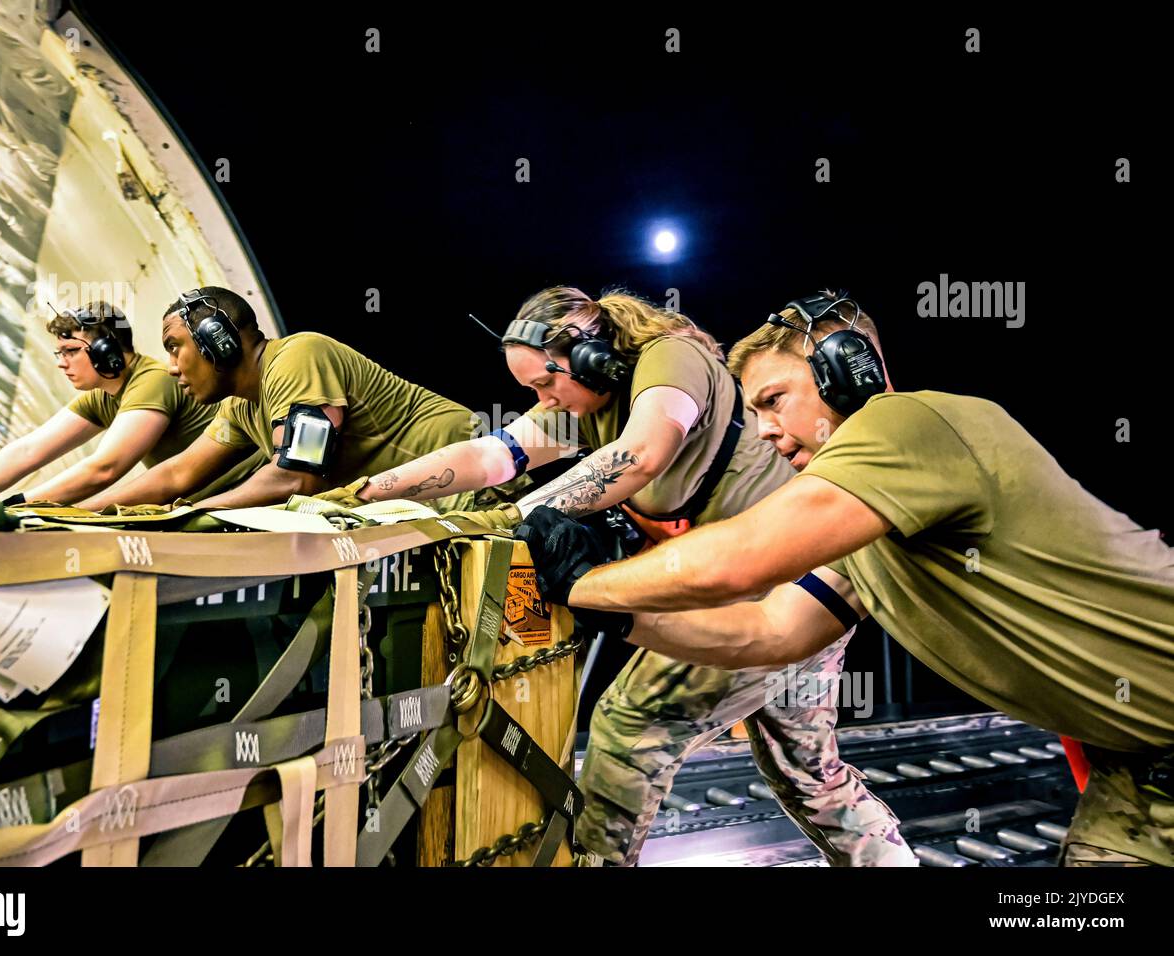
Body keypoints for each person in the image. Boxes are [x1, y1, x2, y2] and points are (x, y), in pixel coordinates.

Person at [519, 289, 1174, 866]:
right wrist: (609, 606)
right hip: (1136, 770)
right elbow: (769, 630)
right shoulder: (866, 528)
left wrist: (585, 578)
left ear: (848, 372)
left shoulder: (909, 422)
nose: (768, 431)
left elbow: (737, 561)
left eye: (776, 400)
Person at [322, 285, 914, 866]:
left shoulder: (669, 358)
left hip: (783, 583)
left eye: (546, 382)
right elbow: (492, 455)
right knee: (812, 775)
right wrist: (372, 494)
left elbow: (642, 454)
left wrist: (512, 516)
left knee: (630, 728)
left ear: (589, 354)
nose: (544, 401)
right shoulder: (586, 402)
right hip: (792, 578)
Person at [81, 287, 487, 512]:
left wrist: (193, 514)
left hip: (473, 491)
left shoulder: (300, 356)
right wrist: (80, 514)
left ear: (217, 342)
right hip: (432, 507)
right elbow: (176, 475)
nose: (171, 367)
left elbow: (298, 473)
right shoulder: (240, 405)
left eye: (175, 347)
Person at [0, 302, 223, 506]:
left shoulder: (152, 380)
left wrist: (16, 506)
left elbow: (104, 468)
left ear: (106, 351)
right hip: (204, 503)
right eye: (59, 353)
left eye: (71, 351)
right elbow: (28, 450)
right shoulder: (104, 395)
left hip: (236, 505)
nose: (61, 363)